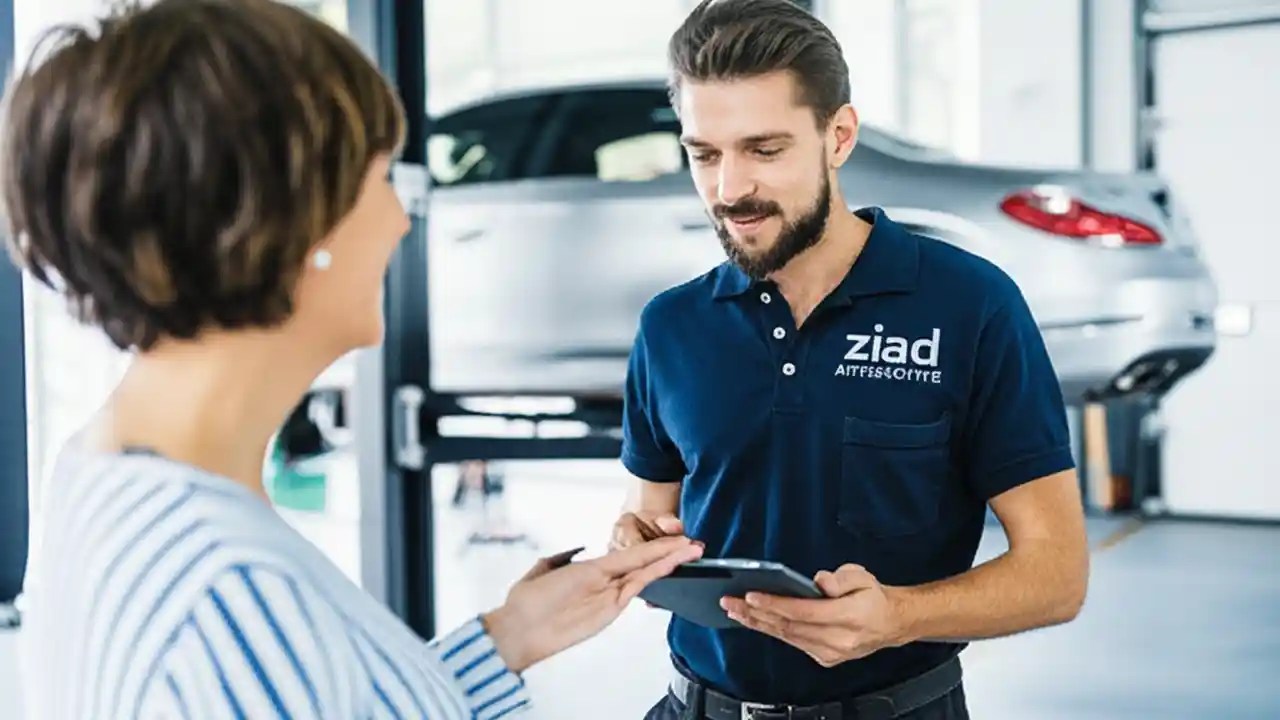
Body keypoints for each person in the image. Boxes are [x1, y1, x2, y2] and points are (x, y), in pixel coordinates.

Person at [0, 2, 703, 719]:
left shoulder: (108, 473)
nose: (401, 219)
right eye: (379, 180)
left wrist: (510, 635)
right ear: (290, 217)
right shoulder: (230, 596)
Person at [609, 1, 1091, 718]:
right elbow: (651, 518)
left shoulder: (969, 305)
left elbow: (1057, 574)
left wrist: (899, 615)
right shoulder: (671, 325)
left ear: (839, 136)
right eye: (704, 154)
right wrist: (636, 545)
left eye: (764, 150)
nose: (729, 189)